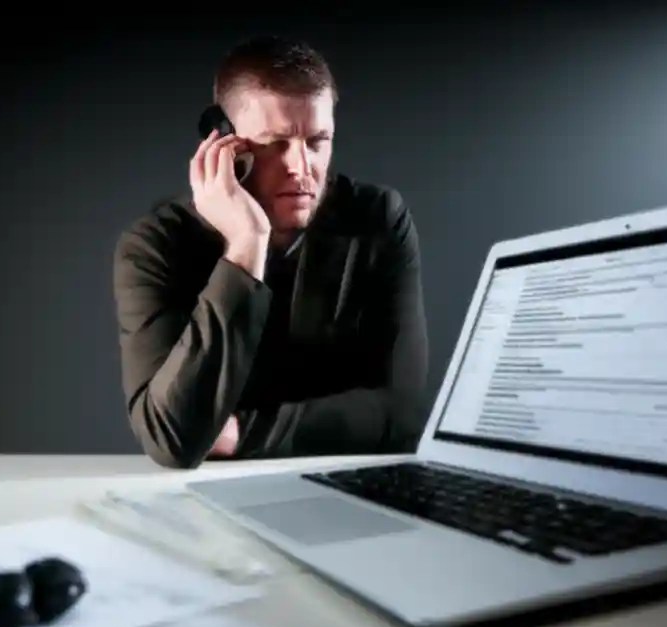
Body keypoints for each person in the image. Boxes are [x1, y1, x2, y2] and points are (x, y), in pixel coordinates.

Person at [112, 35, 429, 469]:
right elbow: (172, 437)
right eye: (276, 144)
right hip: (203, 503)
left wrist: (241, 432)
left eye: (318, 141)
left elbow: (406, 413)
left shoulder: (377, 219)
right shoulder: (154, 247)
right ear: (224, 142)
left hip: (340, 484)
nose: (302, 168)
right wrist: (246, 245)